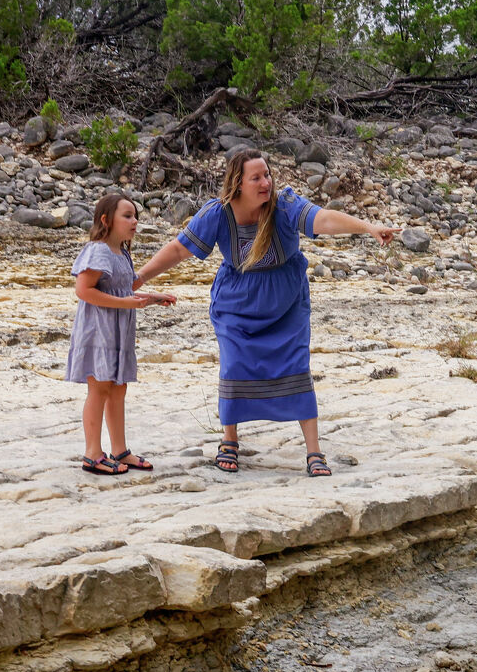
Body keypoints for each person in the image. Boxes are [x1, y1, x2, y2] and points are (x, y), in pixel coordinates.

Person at [133, 149, 396, 476]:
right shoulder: (218, 213)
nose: (265, 182)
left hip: (286, 302)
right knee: (234, 363)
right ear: (238, 182)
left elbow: (323, 218)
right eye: (255, 177)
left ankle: (313, 451)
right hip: (236, 303)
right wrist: (140, 277)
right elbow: (179, 249)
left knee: (296, 364)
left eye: (266, 175)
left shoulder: (284, 206)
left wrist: (368, 227)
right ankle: (229, 440)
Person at [69, 192, 175, 475]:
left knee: (118, 387)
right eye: (127, 216)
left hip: (119, 331)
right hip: (98, 330)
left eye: (135, 216)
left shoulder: (122, 253)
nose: (134, 221)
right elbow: (84, 290)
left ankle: (120, 450)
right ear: (106, 220)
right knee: (100, 387)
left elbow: (125, 289)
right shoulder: (99, 250)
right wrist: (126, 303)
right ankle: (92, 453)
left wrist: (152, 297)